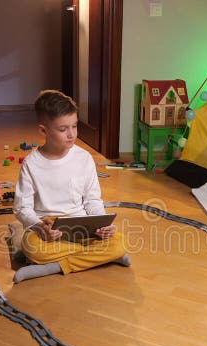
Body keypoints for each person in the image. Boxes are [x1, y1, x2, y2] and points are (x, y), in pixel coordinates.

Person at [12, 90, 130, 283]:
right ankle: (103, 257)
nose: (71, 134)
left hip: (81, 223)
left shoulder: (84, 158)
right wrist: (38, 226)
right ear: (43, 131)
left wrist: (101, 224)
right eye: (63, 129)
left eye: (74, 126)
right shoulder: (31, 164)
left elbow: (92, 199)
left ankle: (55, 266)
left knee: (118, 240)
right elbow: (22, 207)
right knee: (32, 245)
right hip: (49, 227)